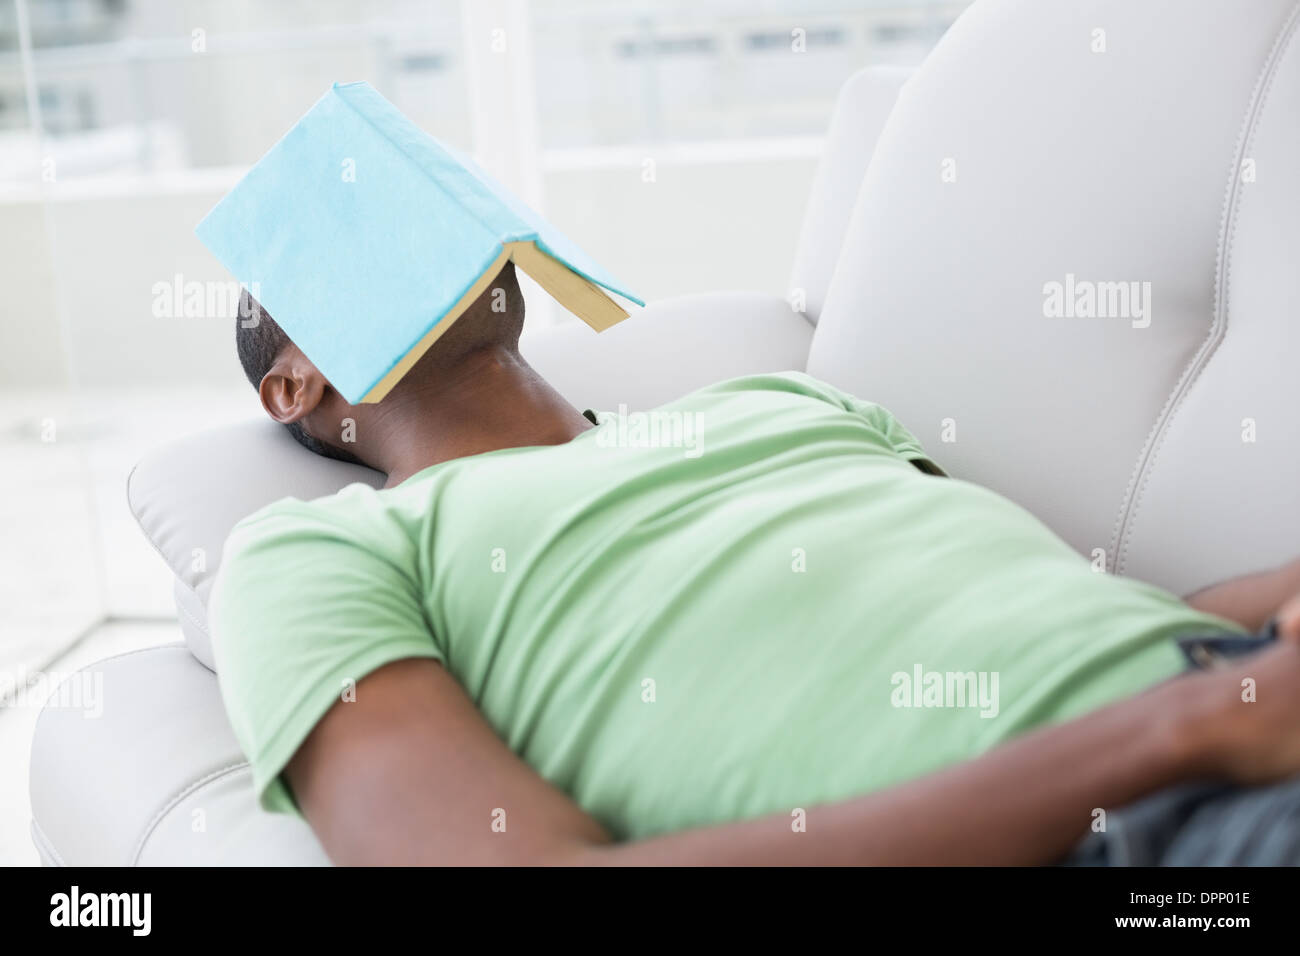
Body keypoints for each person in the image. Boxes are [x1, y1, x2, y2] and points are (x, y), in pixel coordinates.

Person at [211, 262, 1300, 865]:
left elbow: (1099, 614)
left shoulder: (776, 398)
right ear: (292, 385)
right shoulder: (312, 554)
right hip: (1152, 829)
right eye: (341, 236)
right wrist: (1187, 729)